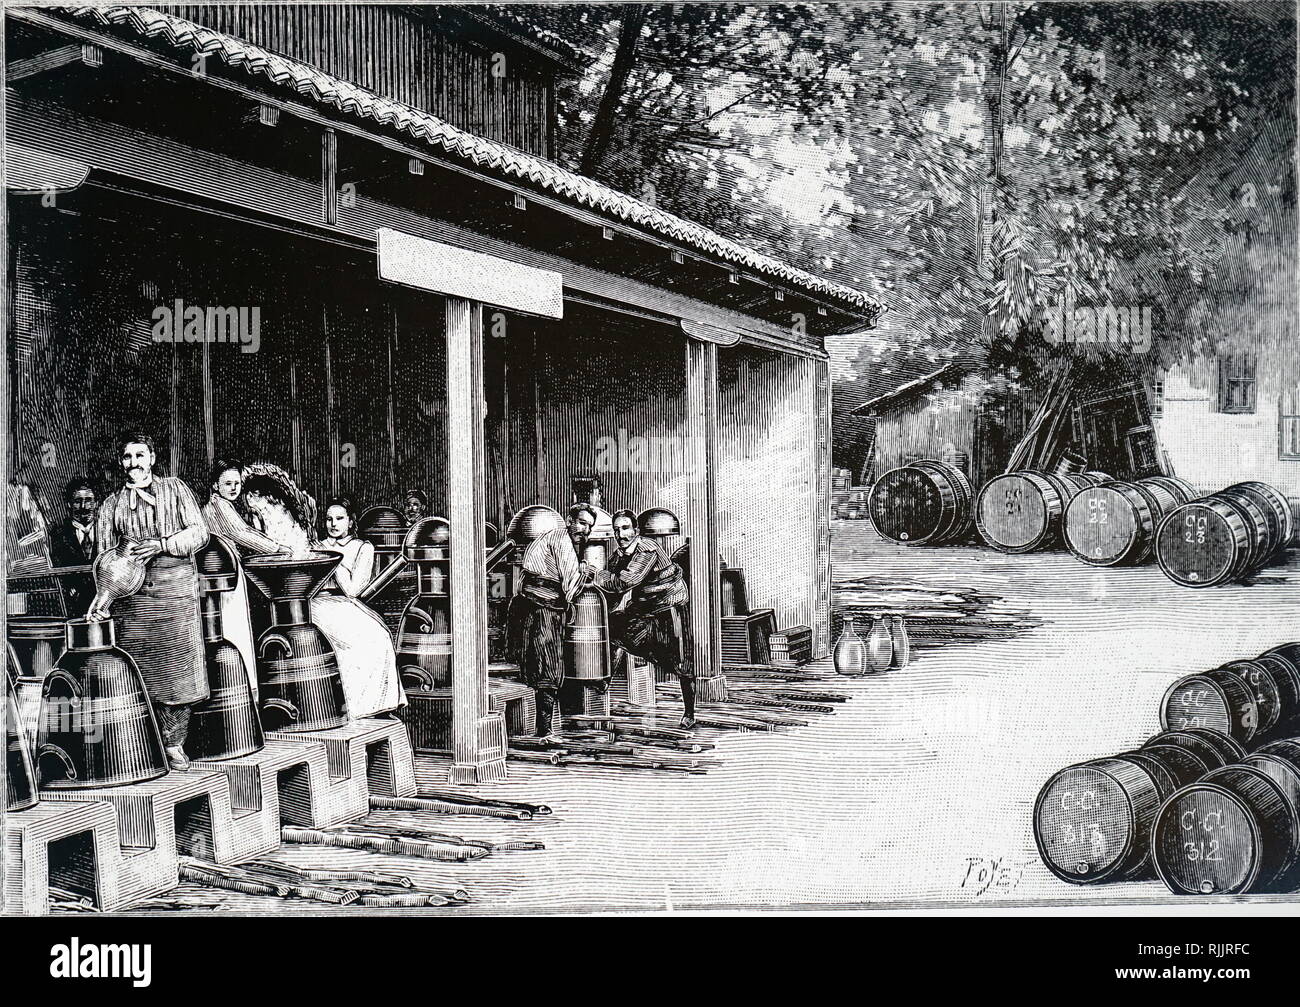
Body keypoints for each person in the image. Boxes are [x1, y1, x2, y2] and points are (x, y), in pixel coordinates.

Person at [92, 431, 209, 770]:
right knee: (140, 673)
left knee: (179, 675)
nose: (134, 464)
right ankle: (144, 746)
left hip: (176, 596)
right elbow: (102, 556)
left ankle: (174, 744)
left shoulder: (176, 489)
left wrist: (163, 543)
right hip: (135, 601)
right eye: (127, 458)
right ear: (120, 463)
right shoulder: (110, 505)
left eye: (140, 456)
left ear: (153, 459)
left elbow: (200, 532)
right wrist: (112, 581)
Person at [590, 509, 696, 728]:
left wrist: (594, 574)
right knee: (613, 629)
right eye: (617, 530)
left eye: (626, 528)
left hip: (669, 605)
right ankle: (605, 678)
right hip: (645, 606)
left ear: (636, 530)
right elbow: (613, 589)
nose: (621, 534)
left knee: (681, 661)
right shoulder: (619, 555)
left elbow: (624, 581)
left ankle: (689, 713)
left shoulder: (648, 549)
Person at [201, 459, 290, 700]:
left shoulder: (224, 507)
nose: (233, 488)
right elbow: (242, 534)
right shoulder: (218, 508)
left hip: (225, 575)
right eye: (227, 483)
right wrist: (277, 548)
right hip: (223, 578)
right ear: (215, 485)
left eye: (237, 483)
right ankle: (242, 694)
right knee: (233, 632)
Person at [507, 502, 595, 741]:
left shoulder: (552, 538)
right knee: (548, 669)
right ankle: (544, 731)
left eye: (589, 526)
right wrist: (586, 576)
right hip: (543, 610)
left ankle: (542, 728)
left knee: (535, 667)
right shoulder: (563, 541)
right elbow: (570, 587)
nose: (585, 530)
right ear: (569, 520)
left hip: (527, 606)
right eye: (582, 523)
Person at [315, 496, 405, 718]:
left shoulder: (363, 547)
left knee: (380, 636)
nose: (333, 524)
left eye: (339, 518)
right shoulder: (316, 545)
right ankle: (353, 709)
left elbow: (353, 590)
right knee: (351, 645)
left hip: (345, 602)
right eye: (328, 519)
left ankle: (376, 706)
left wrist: (332, 559)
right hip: (317, 604)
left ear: (350, 521)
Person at [49, 477, 99, 614]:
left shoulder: (107, 531)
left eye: (89, 500)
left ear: (96, 503)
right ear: (69, 504)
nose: (83, 507)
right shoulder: (58, 536)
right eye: (77, 501)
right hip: (73, 607)